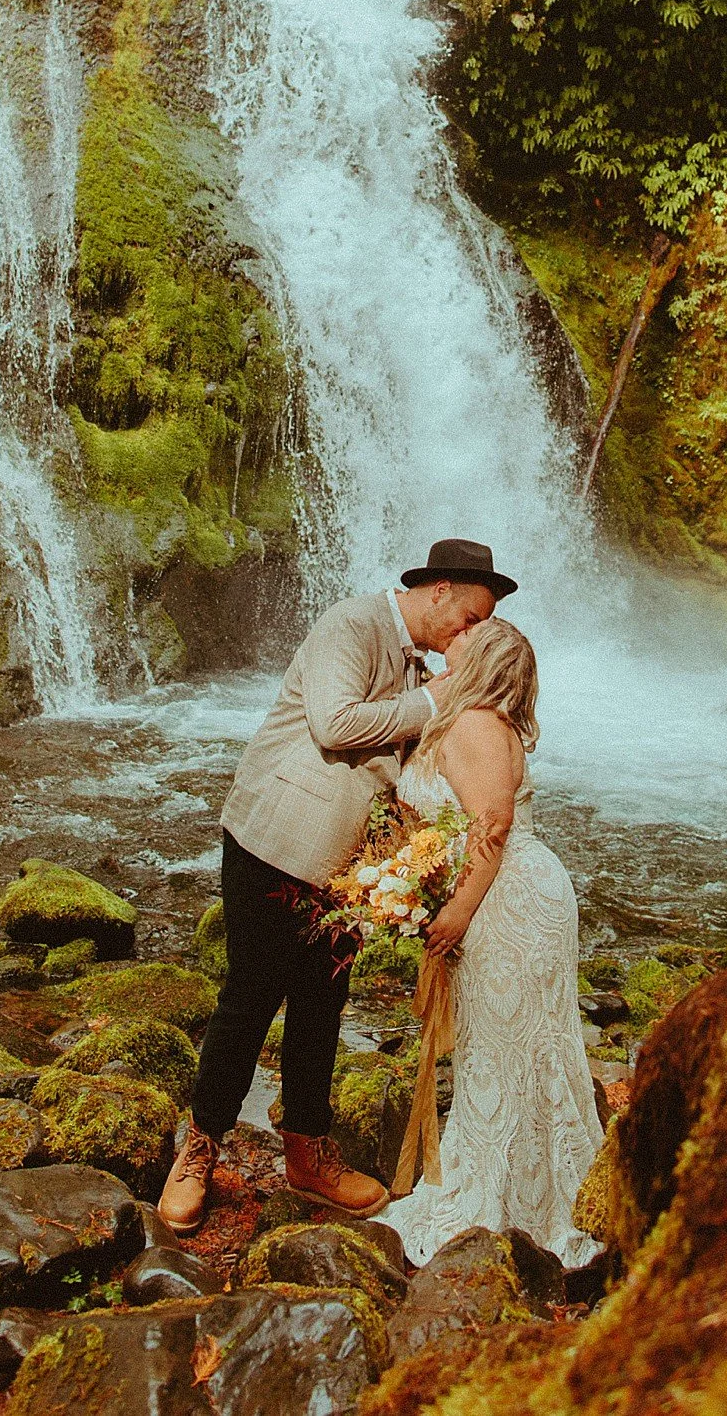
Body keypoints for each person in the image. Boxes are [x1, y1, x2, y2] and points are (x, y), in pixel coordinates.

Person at [158, 537, 517, 1233]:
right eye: (469, 618)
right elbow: (336, 723)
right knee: (249, 999)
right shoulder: (352, 625)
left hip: (353, 866)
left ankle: (307, 1151)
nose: (469, 635)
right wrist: (436, 694)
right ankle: (199, 1148)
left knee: (323, 1004)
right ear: (438, 590)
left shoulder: (428, 661)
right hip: (276, 841)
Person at [385, 616, 603, 1268]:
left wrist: (454, 911)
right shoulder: (476, 721)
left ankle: (508, 1209)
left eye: (466, 640)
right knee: (510, 1051)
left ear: (483, 661)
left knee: (506, 1052)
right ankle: (531, 1199)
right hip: (509, 892)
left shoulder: (477, 722)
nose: (449, 641)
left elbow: (494, 825)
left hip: (509, 899)